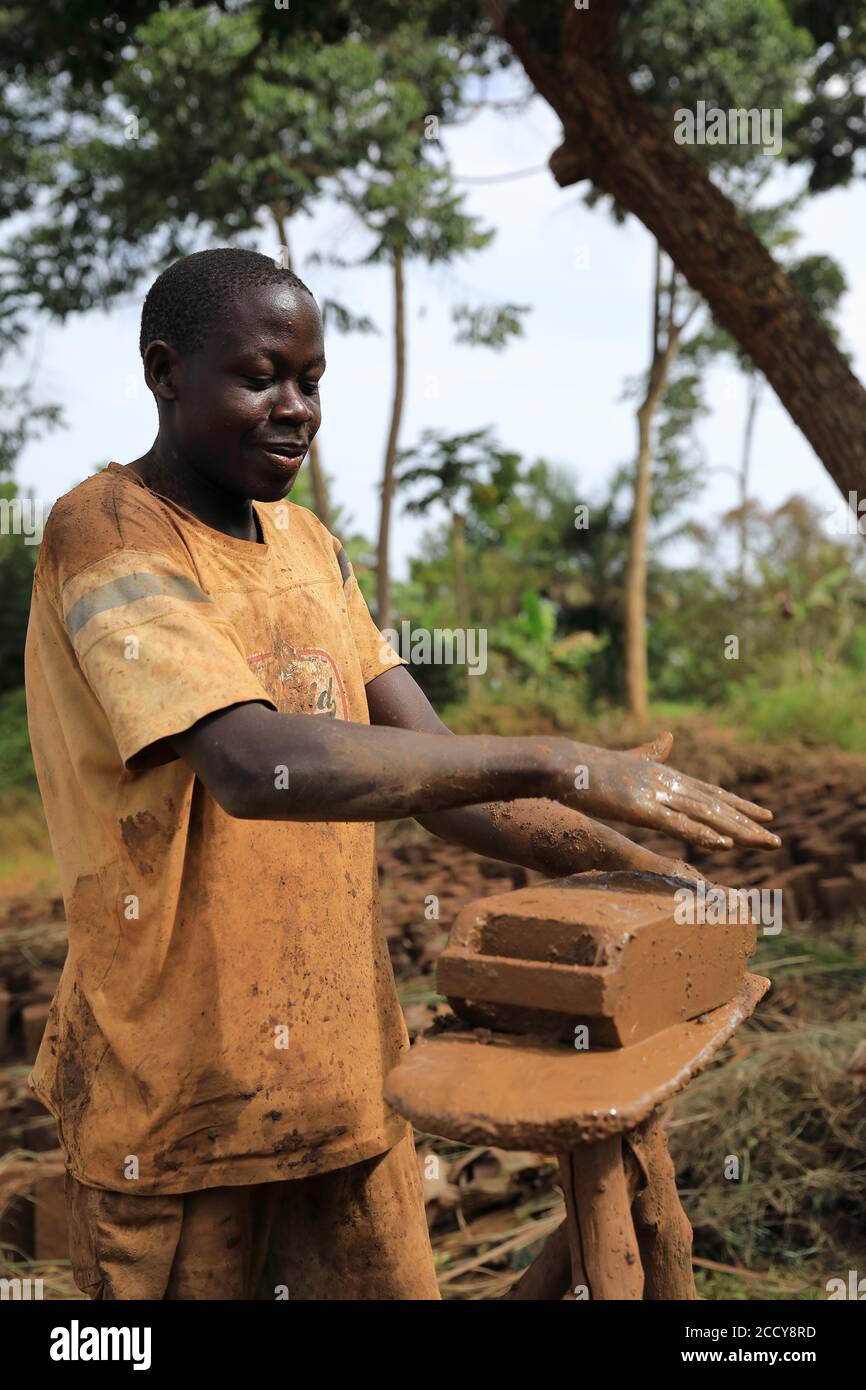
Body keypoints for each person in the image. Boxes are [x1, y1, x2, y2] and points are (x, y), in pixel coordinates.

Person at [24, 248, 779, 1300]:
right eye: (260, 377)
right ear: (165, 372)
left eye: (312, 380)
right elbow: (252, 764)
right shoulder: (107, 532)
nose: (295, 408)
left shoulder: (313, 549)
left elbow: (442, 781)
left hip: (347, 1084)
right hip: (175, 1107)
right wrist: (559, 758)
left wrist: (651, 869)